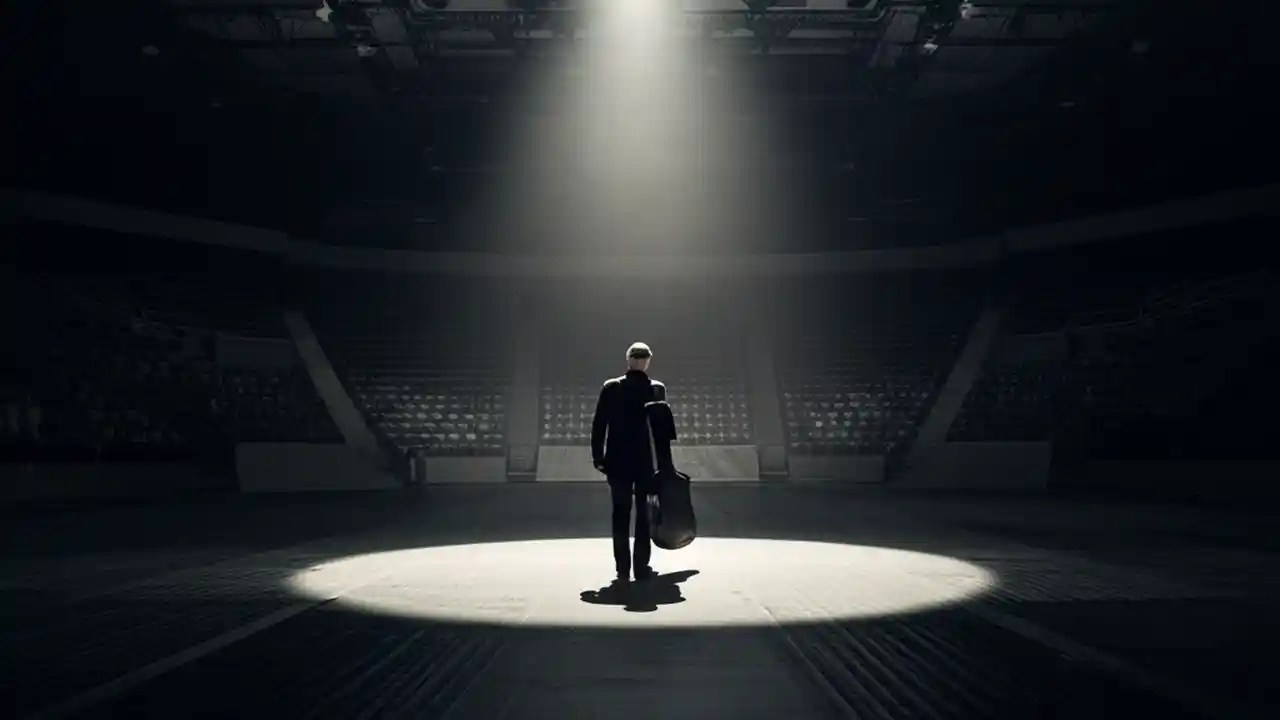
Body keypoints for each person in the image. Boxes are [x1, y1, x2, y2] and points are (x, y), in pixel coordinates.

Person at [592, 342, 666, 583]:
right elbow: (663, 432)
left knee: (620, 515)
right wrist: (665, 465)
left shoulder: (611, 388)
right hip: (646, 461)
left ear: (628, 360)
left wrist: (598, 457)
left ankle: (622, 568)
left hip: (617, 460)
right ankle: (641, 567)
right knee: (644, 515)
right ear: (648, 361)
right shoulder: (656, 389)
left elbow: (599, 424)